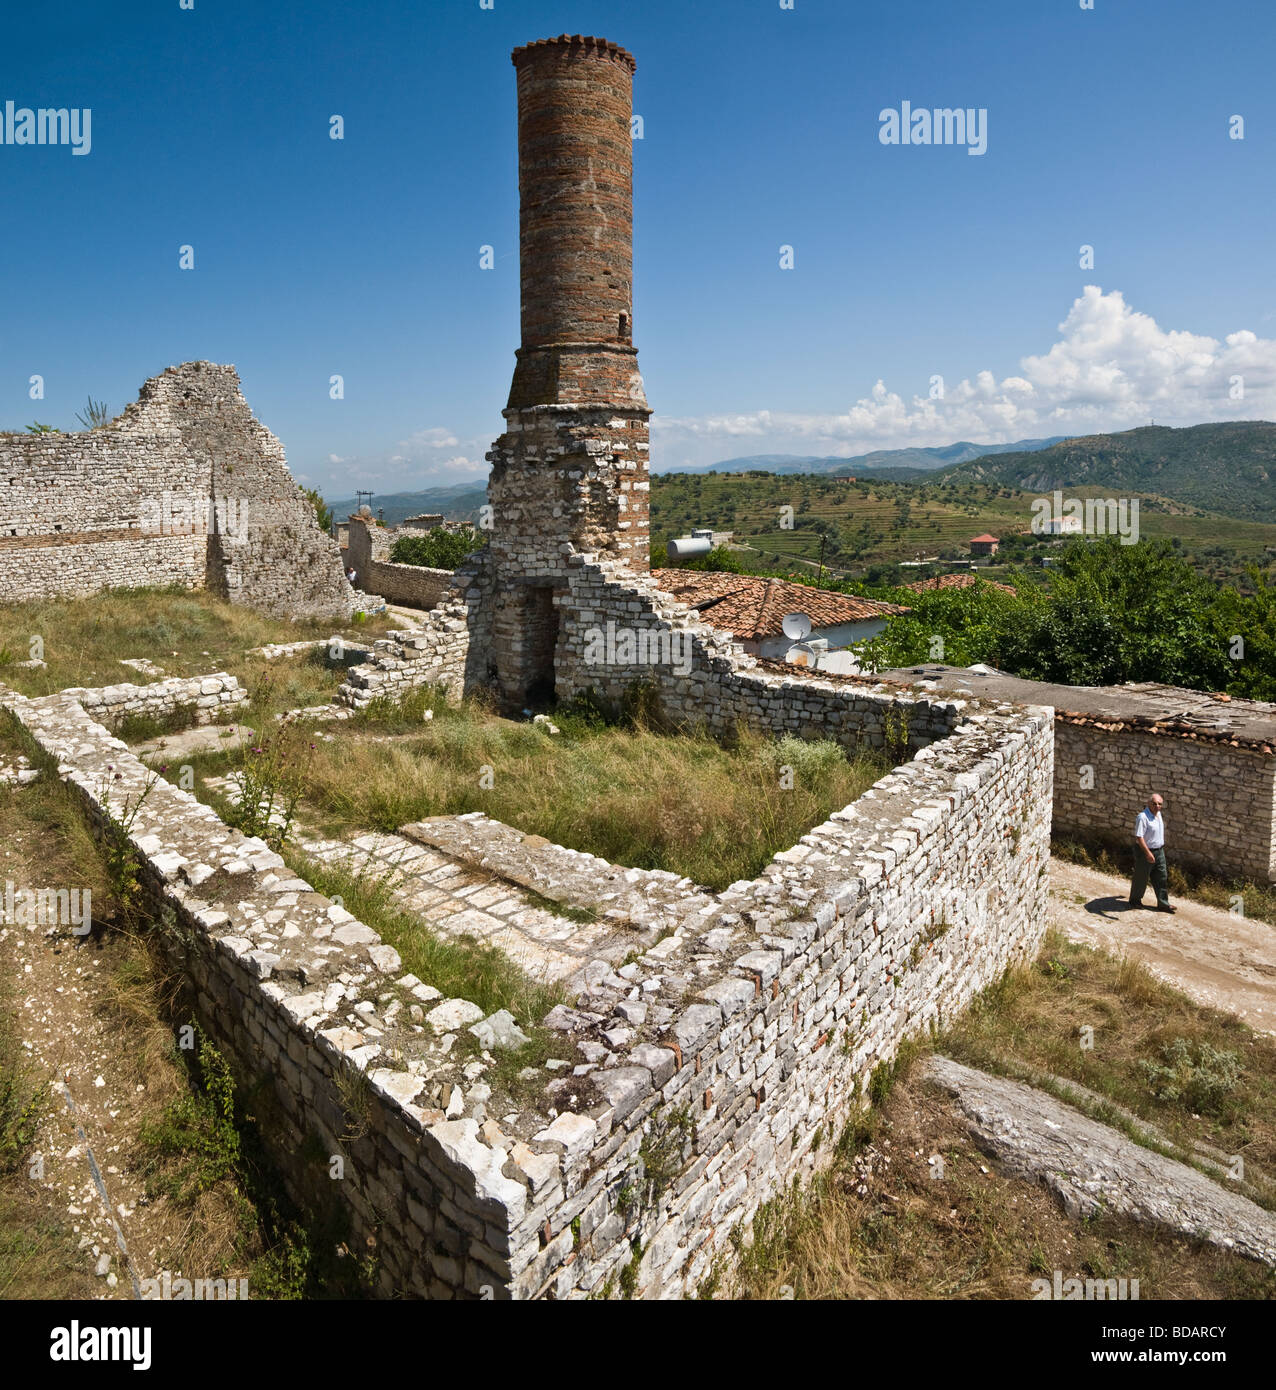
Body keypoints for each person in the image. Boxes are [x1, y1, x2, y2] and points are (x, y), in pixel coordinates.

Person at [1129, 793, 1175, 913]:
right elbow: (1139, 837)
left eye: (1160, 804)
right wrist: (1148, 853)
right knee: (1141, 877)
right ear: (1149, 803)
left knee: (1162, 877)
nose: (1157, 806)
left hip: (1159, 851)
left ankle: (1163, 904)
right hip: (1145, 851)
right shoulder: (1142, 817)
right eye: (1154, 804)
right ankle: (1135, 901)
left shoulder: (1158, 814)